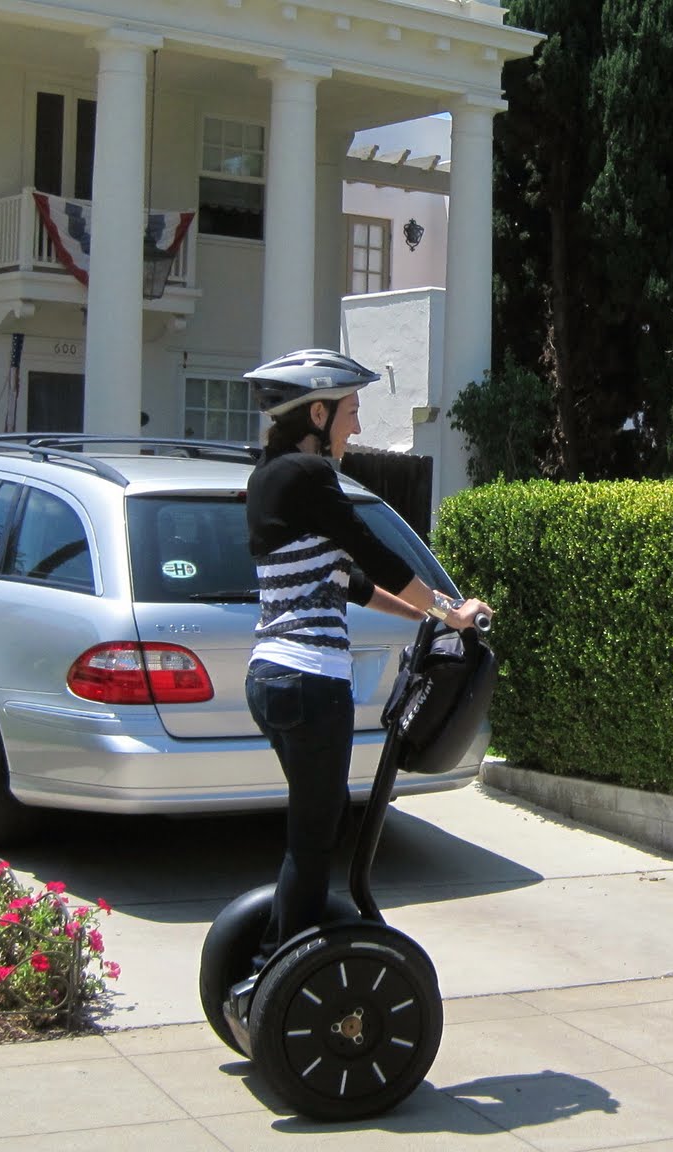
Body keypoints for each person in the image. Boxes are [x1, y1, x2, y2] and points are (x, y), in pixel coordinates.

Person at [243, 348, 493, 960]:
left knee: (312, 829)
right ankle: (281, 968)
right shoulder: (309, 476)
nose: (356, 426)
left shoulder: (270, 477)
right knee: (315, 837)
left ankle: (274, 960)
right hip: (310, 678)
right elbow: (373, 552)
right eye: (351, 412)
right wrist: (452, 613)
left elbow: (345, 578)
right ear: (319, 413)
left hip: (272, 675)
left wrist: (422, 618)